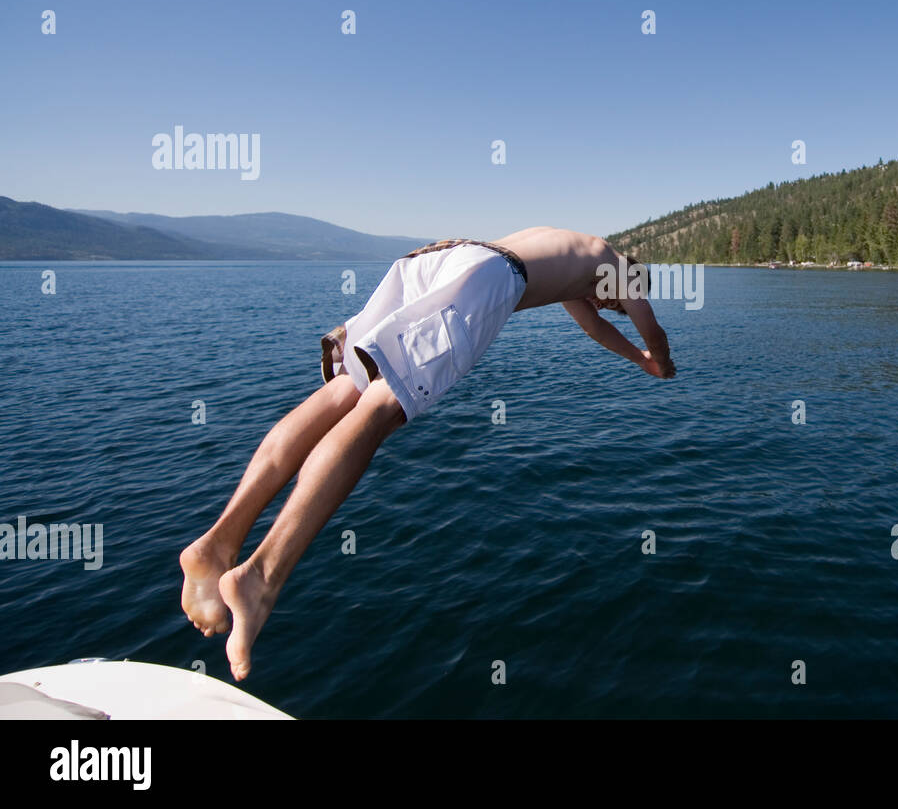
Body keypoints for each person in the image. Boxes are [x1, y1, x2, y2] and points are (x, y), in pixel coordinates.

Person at [180, 226, 675, 680]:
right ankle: (260, 579)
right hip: (487, 275)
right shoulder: (615, 263)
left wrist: (635, 359)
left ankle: (217, 544)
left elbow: (595, 329)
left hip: (441, 258)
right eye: (615, 300)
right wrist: (659, 360)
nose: (609, 306)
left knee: (344, 393)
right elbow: (647, 323)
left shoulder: (575, 257)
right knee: (379, 411)